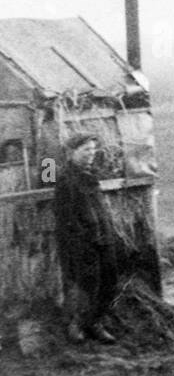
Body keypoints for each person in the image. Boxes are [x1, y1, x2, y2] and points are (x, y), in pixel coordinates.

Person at [53, 134, 119, 344]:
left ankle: (95, 323)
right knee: (85, 285)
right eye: (85, 150)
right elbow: (65, 216)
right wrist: (82, 239)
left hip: (104, 238)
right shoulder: (65, 180)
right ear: (72, 153)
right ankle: (76, 325)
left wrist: (107, 233)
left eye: (92, 150)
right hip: (84, 243)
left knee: (109, 281)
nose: (91, 154)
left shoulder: (92, 175)